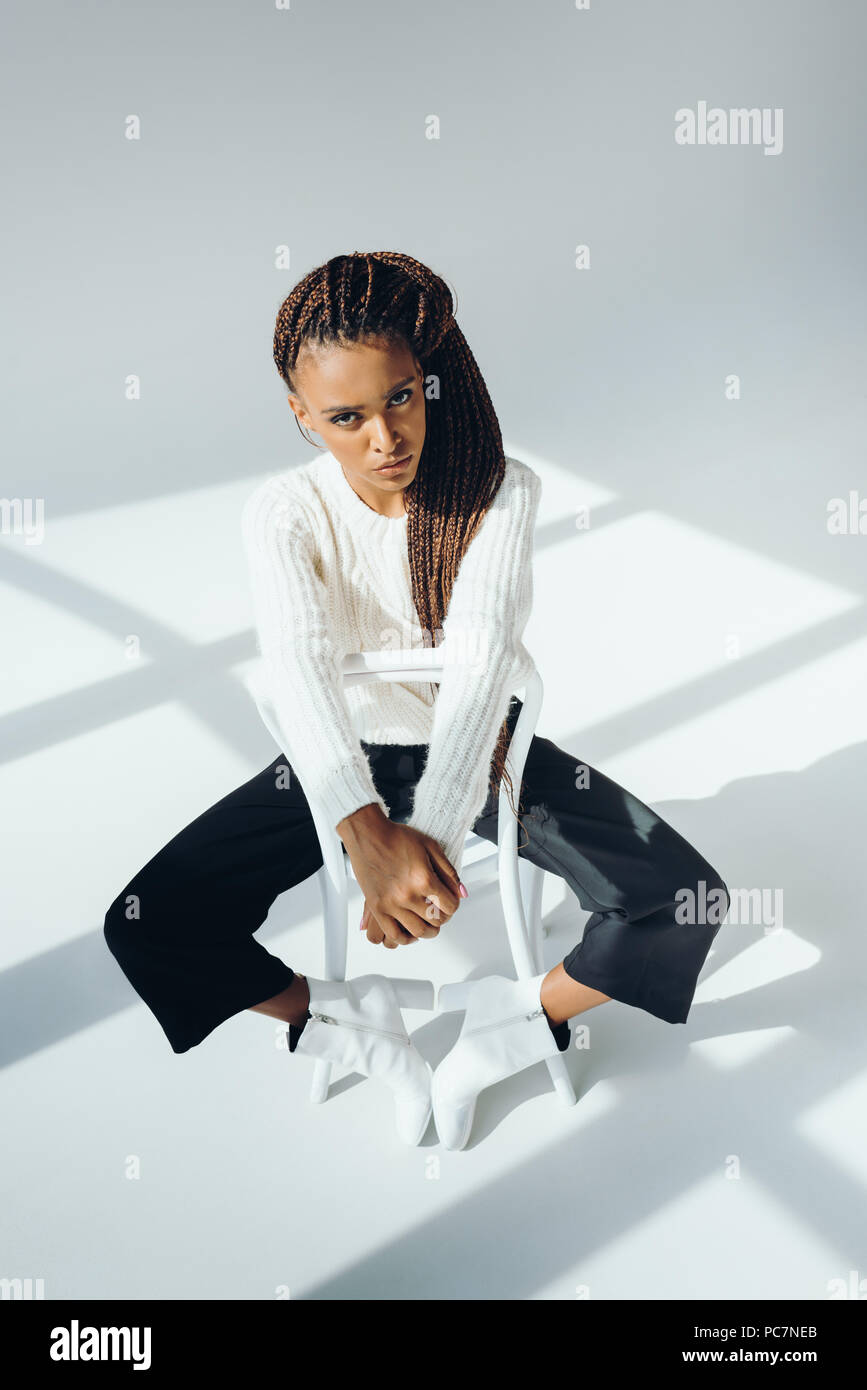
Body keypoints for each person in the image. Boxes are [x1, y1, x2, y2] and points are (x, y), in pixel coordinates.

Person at [103, 250, 730, 1149]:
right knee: (149, 921)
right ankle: (338, 1021)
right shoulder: (282, 511)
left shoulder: (498, 490)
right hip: (337, 761)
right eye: (345, 417)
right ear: (301, 417)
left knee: (685, 895)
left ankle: (515, 1019)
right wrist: (362, 833)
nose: (383, 438)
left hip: (474, 755)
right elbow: (300, 666)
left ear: (430, 380)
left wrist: (421, 851)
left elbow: (478, 666)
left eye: (399, 397)